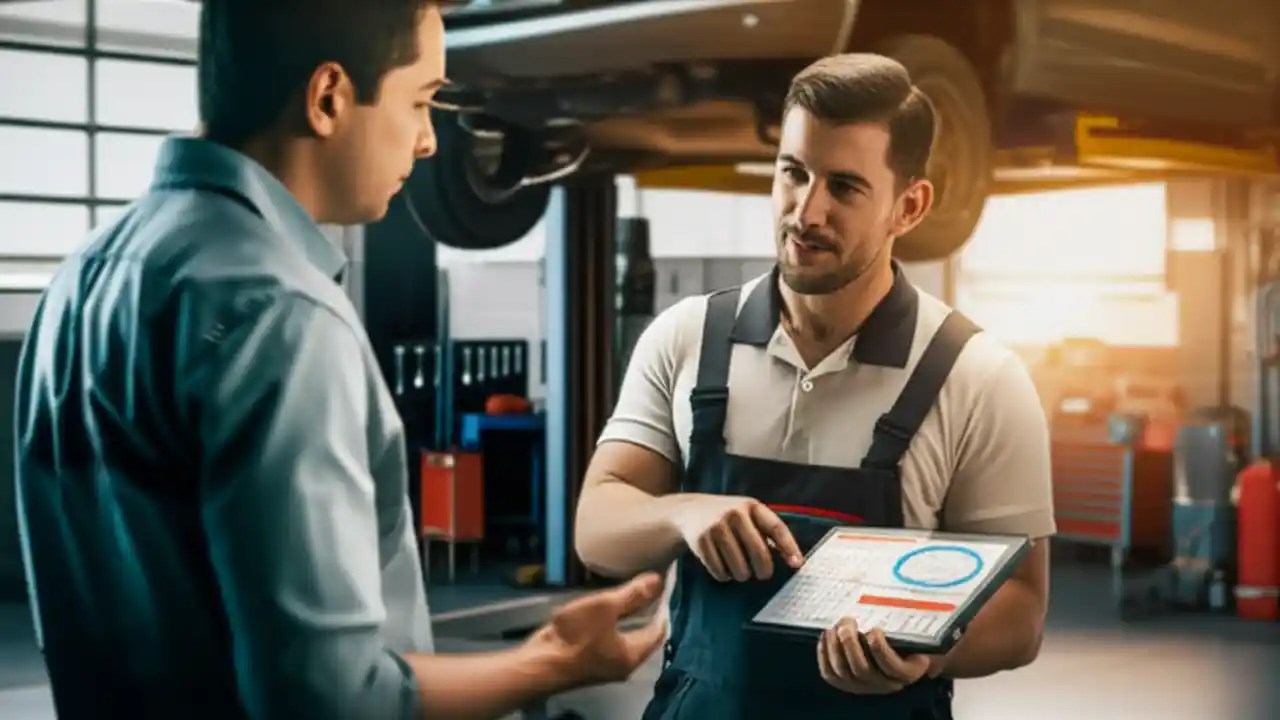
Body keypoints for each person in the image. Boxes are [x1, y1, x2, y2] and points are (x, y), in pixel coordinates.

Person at [13, 2, 664, 719]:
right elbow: (329, 699)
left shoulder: (82, 277)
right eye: (420, 102)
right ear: (329, 98)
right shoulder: (280, 315)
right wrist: (550, 664)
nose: (426, 143)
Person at [574, 53, 1054, 719]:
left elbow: (1023, 610)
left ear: (908, 207)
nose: (806, 211)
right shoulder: (686, 338)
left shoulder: (979, 378)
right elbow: (597, 528)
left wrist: (931, 653)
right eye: (793, 173)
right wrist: (685, 512)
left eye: (846, 187)